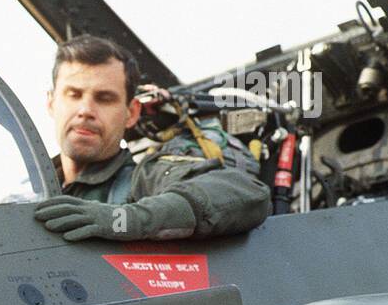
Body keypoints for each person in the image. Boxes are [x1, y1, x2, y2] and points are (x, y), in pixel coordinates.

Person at [32, 35, 270, 241]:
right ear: (51, 103)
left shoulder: (144, 179)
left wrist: (124, 219)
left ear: (131, 113)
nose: (85, 110)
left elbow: (247, 193)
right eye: (73, 95)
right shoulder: (28, 195)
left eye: (104, 98)